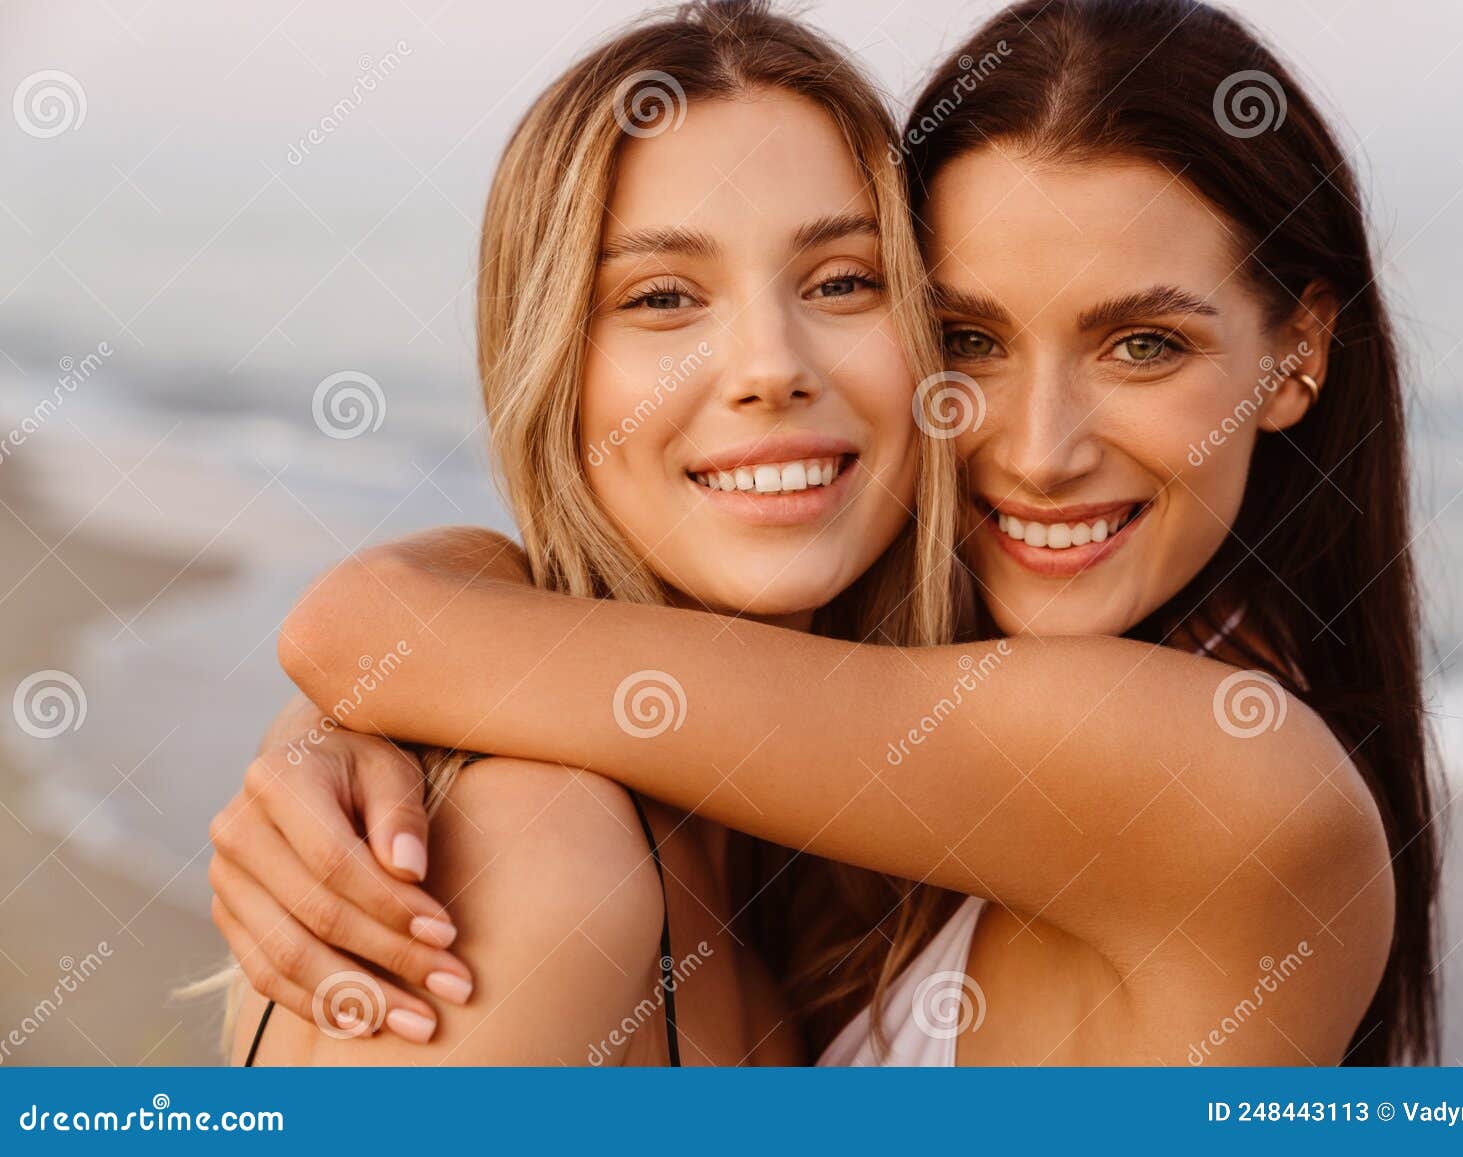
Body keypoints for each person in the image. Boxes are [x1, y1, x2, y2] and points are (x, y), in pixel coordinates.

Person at [214, 0, 1438, 1065]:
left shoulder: (1230, 779)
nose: (1036, 450)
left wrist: (356, 682)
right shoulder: (615, 831)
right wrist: (354, 708)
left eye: (1143, 344)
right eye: (968, 338)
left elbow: (371, 624)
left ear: (1296, 354)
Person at [203, 0, 964, 1065]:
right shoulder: (536, 847)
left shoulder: (821, 837)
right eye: (661, 297)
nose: (768, 365)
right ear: (549, 364)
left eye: (841, 280)